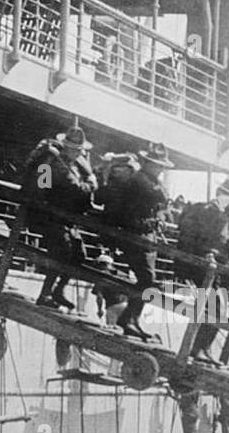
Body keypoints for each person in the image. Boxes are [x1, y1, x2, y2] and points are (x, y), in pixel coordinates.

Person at [97, 141, 172, 341]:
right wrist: (151, 222)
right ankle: (129, 319)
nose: (161, 169)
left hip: (145, 238)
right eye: (158, 165)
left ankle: (131, 319)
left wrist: (160, 219)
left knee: (148, 281)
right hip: (134, 236)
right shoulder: (140, 182)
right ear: (148, 163)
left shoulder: (150, 181)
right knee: (148, 281)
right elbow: (130, 215)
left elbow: (163, 207)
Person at [22, 125, 97, 310]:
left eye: (80, 150)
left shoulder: (72, 165)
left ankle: (59, 290)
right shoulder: (53, 163)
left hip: (63, 219)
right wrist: (91, 184)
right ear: (67, 147)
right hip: (48, 217)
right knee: (62, 252)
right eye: (75, 150)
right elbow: (74, 188)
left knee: (79, 255)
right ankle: (45, 294)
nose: (78, 153)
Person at [173, 176, 229, 364]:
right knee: (217, 307)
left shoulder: (225, 215)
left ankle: (201, 348)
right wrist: (208, 253)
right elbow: (200, 238)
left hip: (213, 266)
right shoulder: (209, 211)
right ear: (223, 195)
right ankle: (199, 349)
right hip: (201, 264)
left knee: (217, 306)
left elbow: (219, 241)